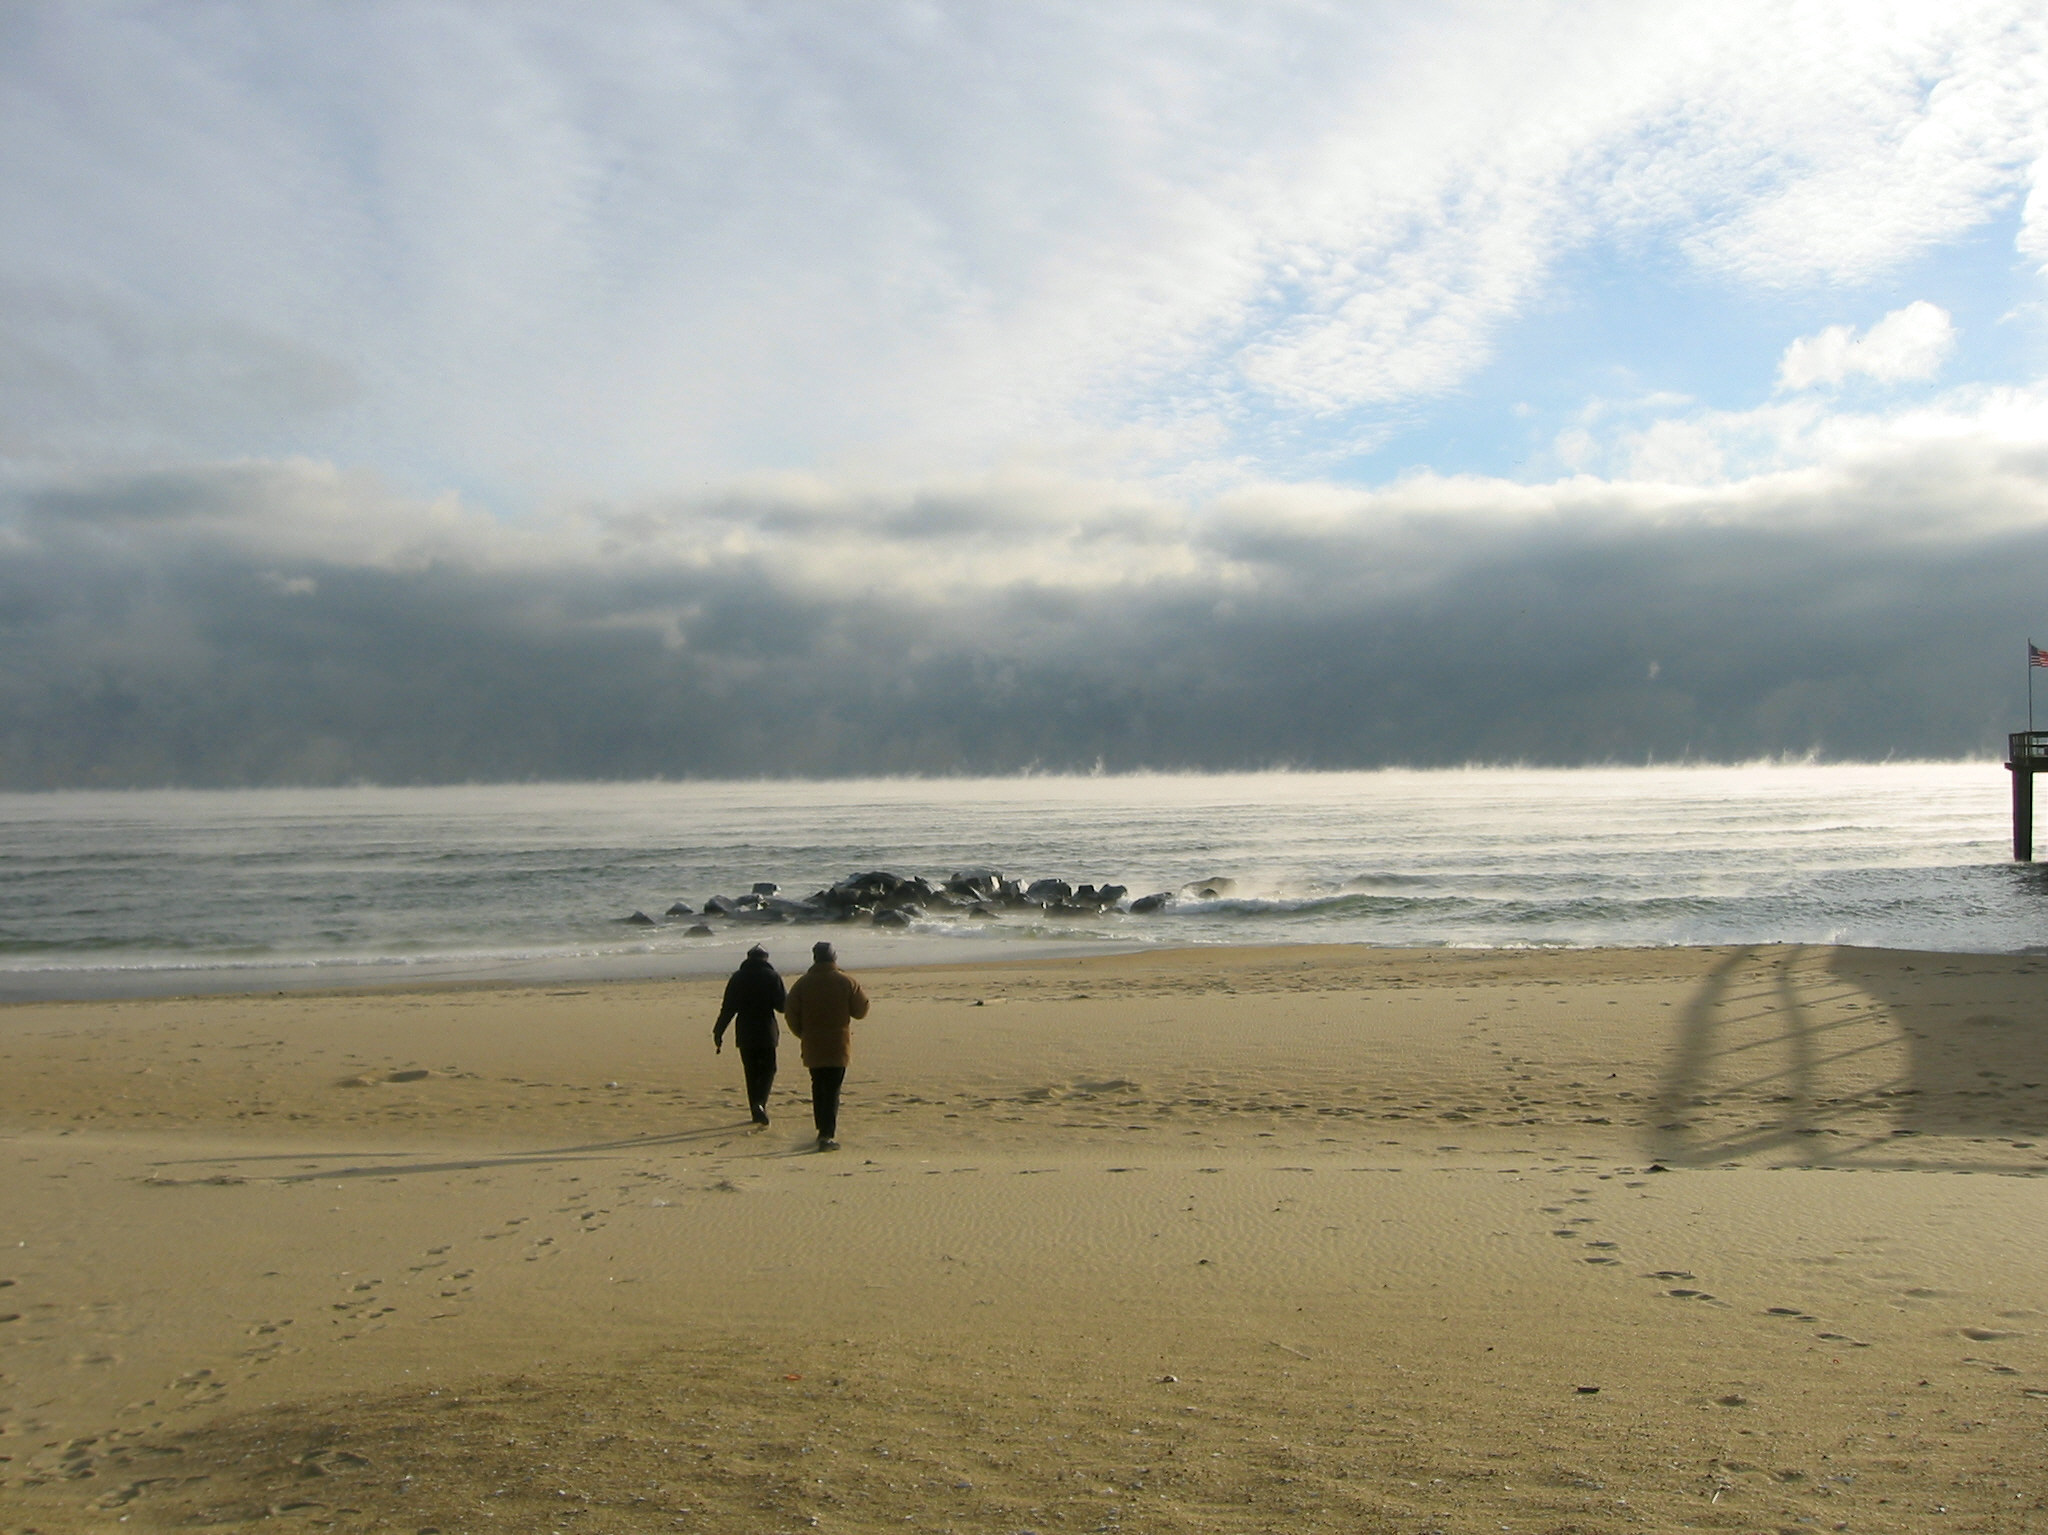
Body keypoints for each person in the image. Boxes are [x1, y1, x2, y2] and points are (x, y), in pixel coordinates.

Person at [782, 939, 869, 1150]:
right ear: (834, 957)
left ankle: (821, 1130)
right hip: (838, 1044)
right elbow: (861, 1011)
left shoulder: (802, 984)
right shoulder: (846, 981)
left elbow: (790, 1015)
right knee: (832, 1088)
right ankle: (826, 1135)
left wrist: (803, 1034)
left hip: (812, 1043)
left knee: (818, 1087)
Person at [712, 944, 785, 1126]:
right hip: (767, 1030)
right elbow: (782, 1006)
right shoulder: (772, 976)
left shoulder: (737, 977)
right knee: (769, 1069)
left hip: (745, 1031)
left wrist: (718, 1031)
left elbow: (728, 1008)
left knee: (751, 1072)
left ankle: (755, 1108)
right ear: (766, 958)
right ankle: (760, 1103)